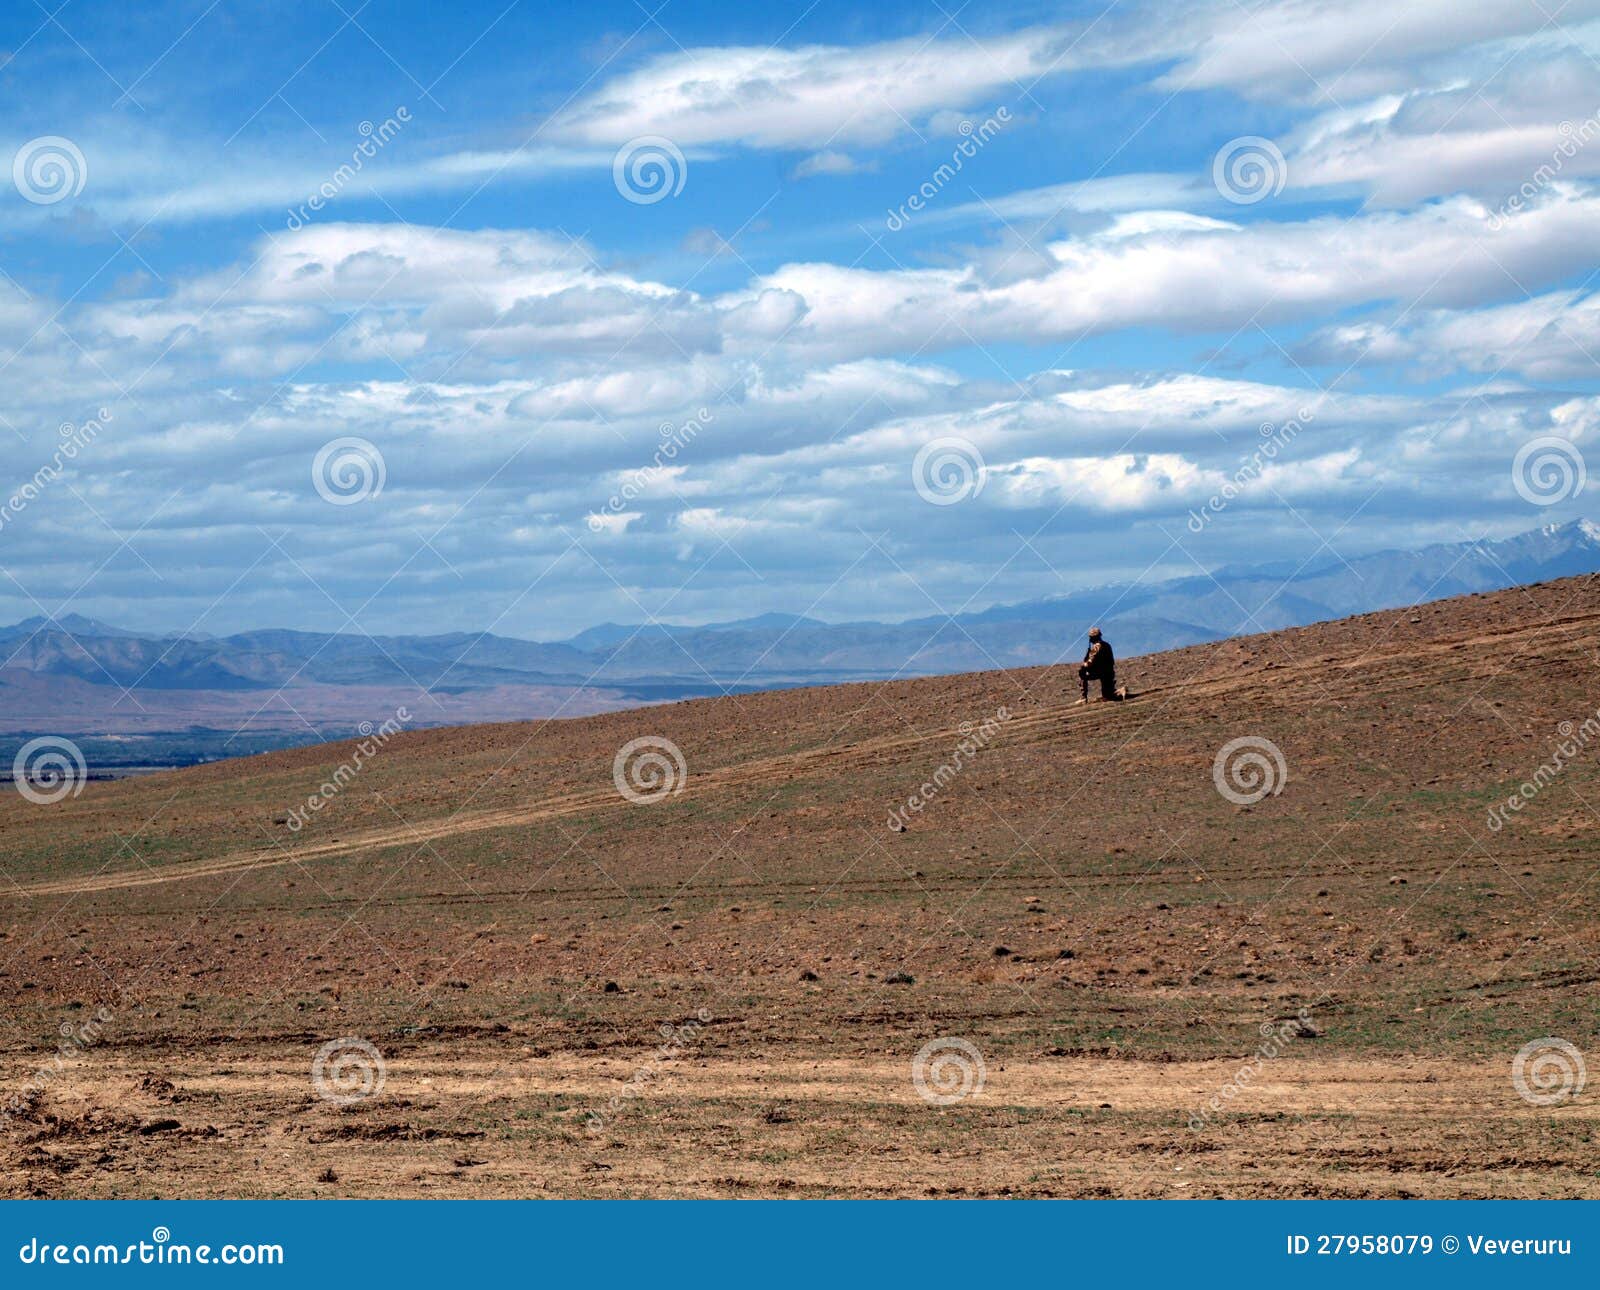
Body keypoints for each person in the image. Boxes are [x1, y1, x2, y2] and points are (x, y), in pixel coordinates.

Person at [1078, 626, 1122, 702]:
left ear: (1092, 638)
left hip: (1100, 673)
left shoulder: (1096, 647)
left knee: (1082, 674)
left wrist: (1084, 665)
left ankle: (1083, 698)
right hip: (1109, 673)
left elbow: (1090, 662)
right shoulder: (1107, 645)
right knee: (1108, 695)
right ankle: (1117, 692)